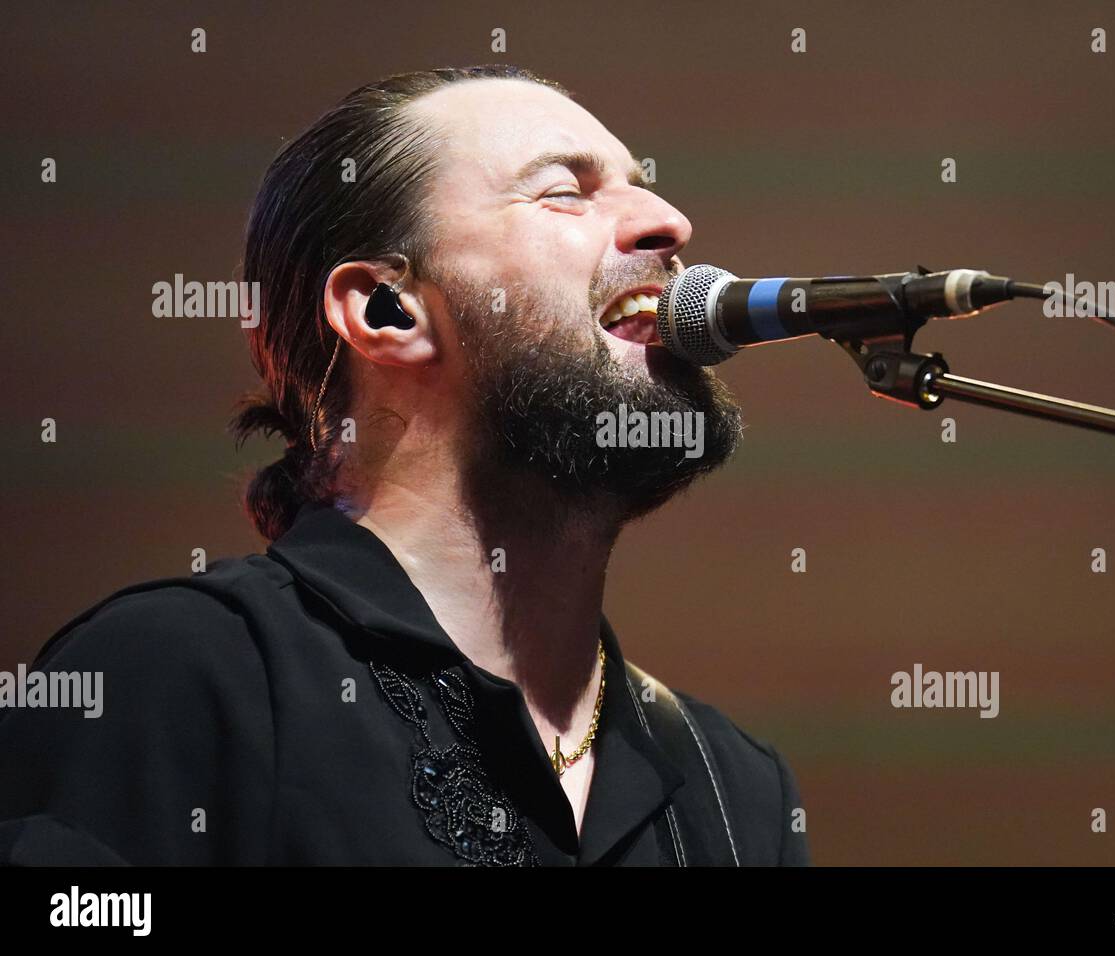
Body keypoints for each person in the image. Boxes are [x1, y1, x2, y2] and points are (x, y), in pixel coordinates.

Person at [0, 65, 810, 866]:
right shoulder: (183, 672)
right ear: (388, 309)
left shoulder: (735, 791)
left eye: (641, 186)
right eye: (565, 190)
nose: (669, 222)